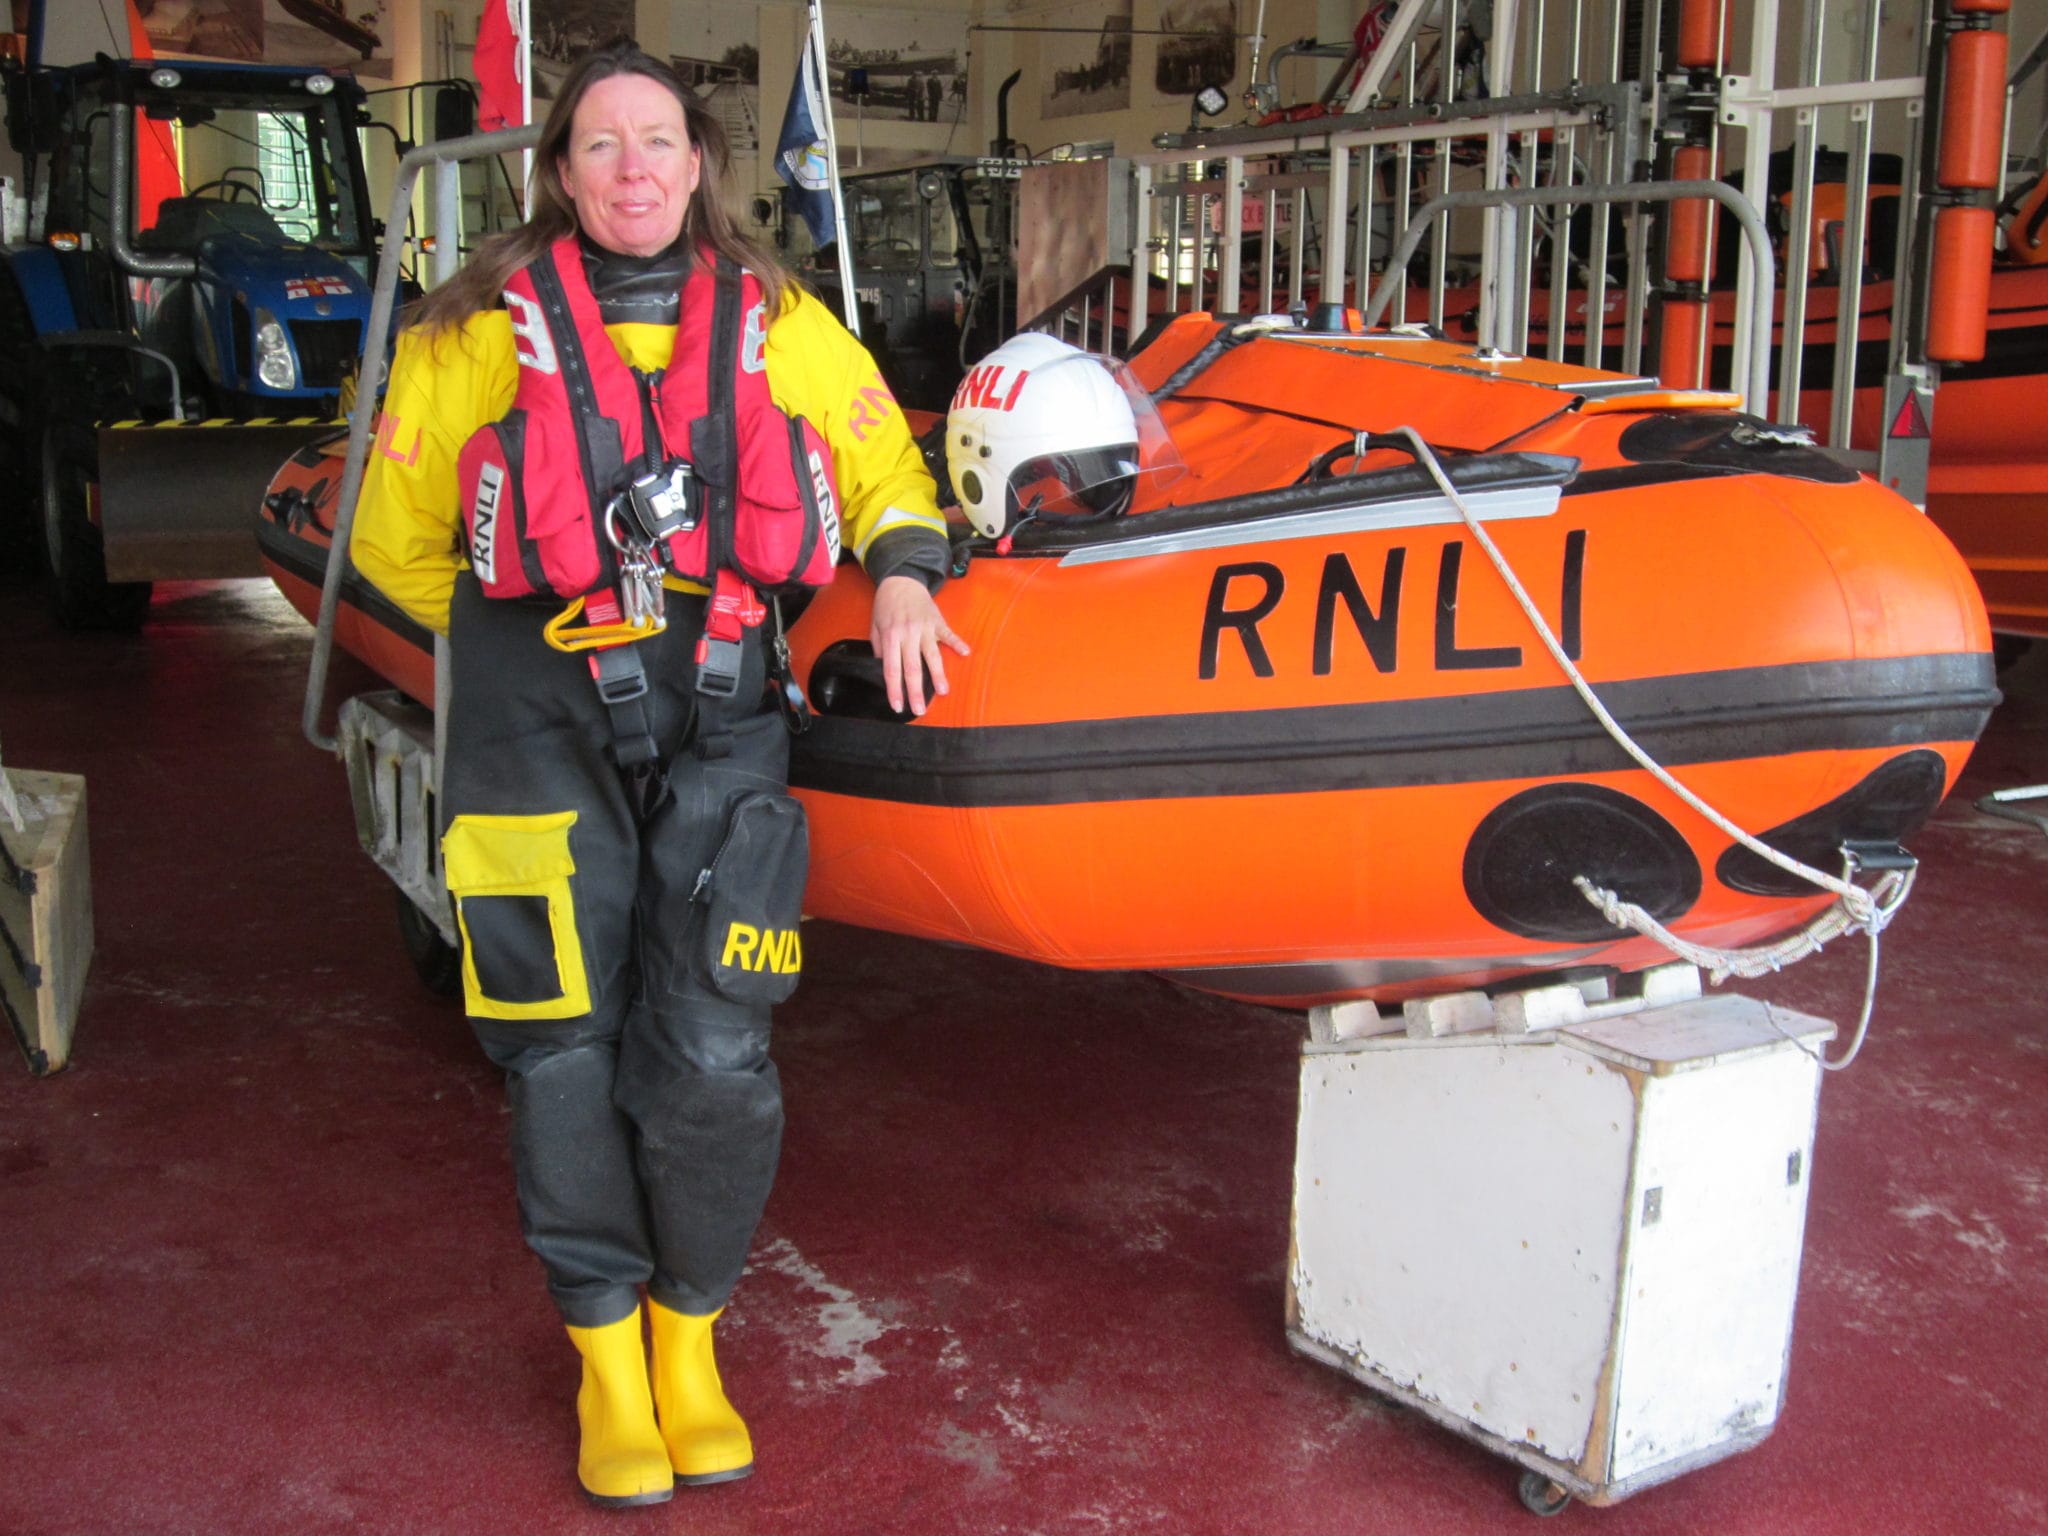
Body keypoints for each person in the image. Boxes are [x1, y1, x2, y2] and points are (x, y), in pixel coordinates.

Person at [352, 40, 966, 1509]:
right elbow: (394, 543)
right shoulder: (465, 336)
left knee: (715, 1050)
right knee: (558, 1041)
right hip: (531, 723)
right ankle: (606, 1362)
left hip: (722, 713)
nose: (635, 168)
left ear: (700, 168)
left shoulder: (784, 324)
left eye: (661, 143)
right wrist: (535, 632)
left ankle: (691, 1341)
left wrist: (902, 575)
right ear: (558, 173)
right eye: (603, 145)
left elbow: (887, 472)